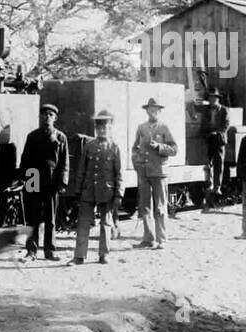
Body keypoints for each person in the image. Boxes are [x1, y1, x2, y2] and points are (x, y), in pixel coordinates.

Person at [70, 109, 123, 265]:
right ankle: (79, 256)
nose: (102, 130)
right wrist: (78, 190)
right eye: (99, 127)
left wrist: (119, 194)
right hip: (88, 190)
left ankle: (103, 254)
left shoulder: (114, 147)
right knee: (83, 223)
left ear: (110, 127)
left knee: (106, 223)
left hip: (107, 191)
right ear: (95, 129)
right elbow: (81, 170)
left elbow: (119, 173)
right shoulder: (89, 146)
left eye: (105, 127)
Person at [19, 103, 69, 260]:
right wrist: (25, 180)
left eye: (50, 115)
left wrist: (62, 183)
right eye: (44, 114)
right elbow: (25, 160)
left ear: (55, 118)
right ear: (40, 117)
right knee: (32, 217)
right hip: (34, 179)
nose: (47, 117)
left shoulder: (61, 137)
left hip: (52, 182)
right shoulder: (32, 136)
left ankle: (50, 251)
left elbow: (64, 163)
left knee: (50, 219)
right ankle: (31, 251)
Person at [131, 98, 177, 249]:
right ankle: (148, 238)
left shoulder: (164, 128)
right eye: (150, 110)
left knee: (160, 207)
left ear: (159, 111)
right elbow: (134, 148)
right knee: (144, 206)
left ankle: (161, 239)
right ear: (147, 111)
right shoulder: (141, 128)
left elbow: (174, 149)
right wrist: (136, 163)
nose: (153, 112)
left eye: (156, 110)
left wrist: (159, 146)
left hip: (159, 172)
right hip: (144, 172)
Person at [200, 89, 229, 201]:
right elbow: (203, 123)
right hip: (208, 139)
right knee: (207, 163)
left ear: (218, 99)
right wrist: (204, 133)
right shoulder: (206, 110)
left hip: (219, 140)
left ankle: (217, 187)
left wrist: (217, 132)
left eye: (215, 98)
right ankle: (209, 183)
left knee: (219, 163)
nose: (213, 100)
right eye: (211, 98)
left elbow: (226, 125)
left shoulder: (224, 110)